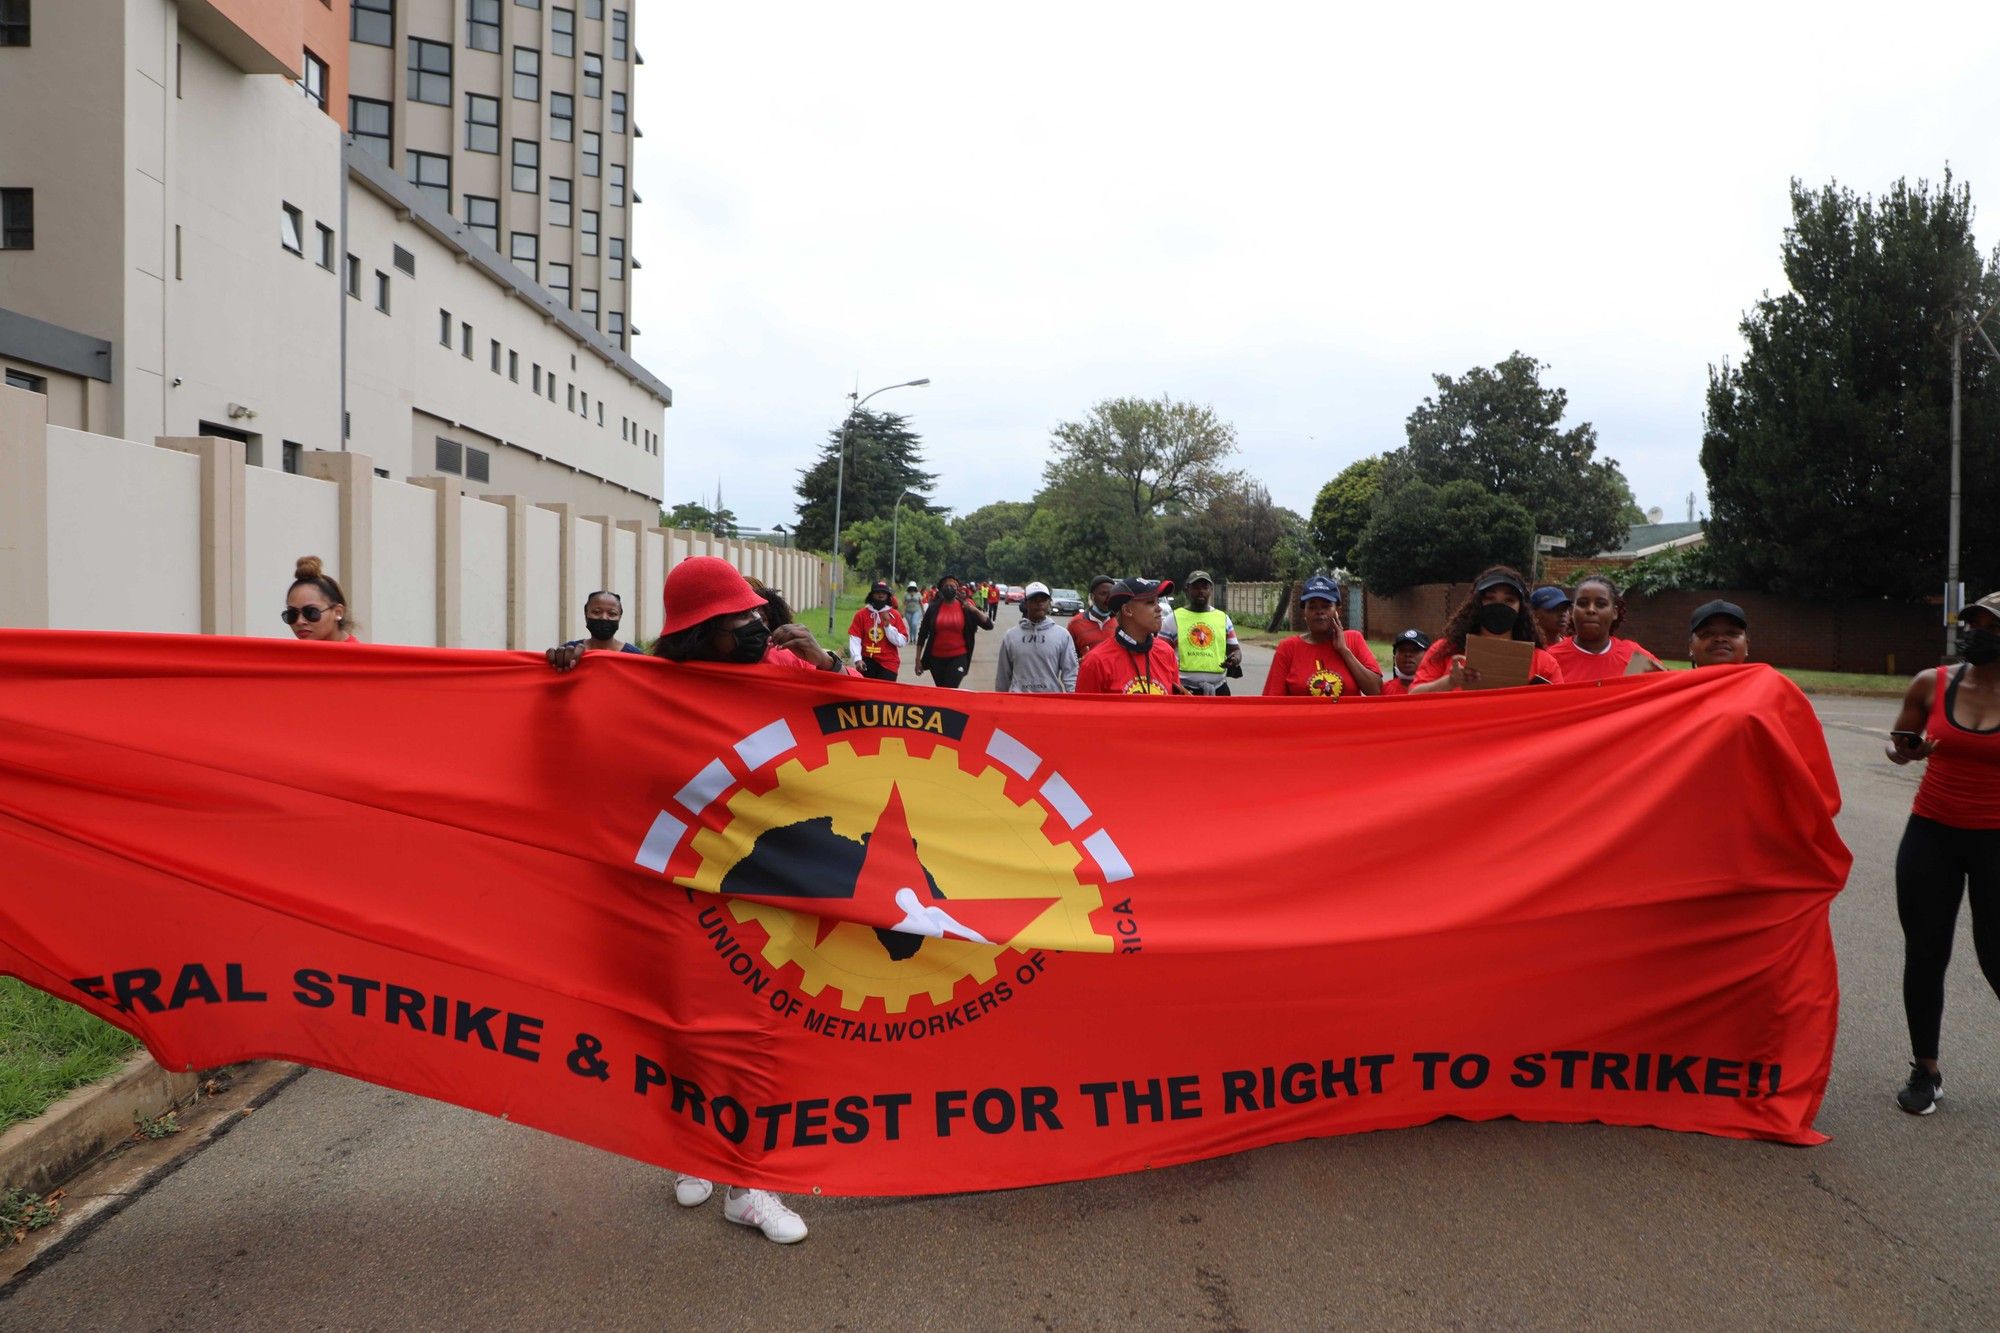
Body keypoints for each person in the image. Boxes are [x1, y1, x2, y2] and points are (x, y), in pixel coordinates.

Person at [547, 557, 842, 1243]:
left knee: (759, 1031)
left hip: (768, 883)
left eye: (754, 613)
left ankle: (750, 1184)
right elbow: (577, 747)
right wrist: (568, 677)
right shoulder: (649, 685)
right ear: (700, 631)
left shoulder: (784, 668)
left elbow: (864, 717)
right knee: (684, 1026)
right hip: (677, 885)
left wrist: (826, 661)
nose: (754, 625)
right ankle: (692, 1149)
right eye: (736, 619)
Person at [1883, 591, 2000, 1115]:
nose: (1979, 634)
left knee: (1996, 956)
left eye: (1993, 628)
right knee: (1926, 953)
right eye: (1974, 624)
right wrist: (1906, 751)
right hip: (1931, 833)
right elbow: (1899, 746)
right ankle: (1925, 1071)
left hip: (1996, 839)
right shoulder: (1932, 683)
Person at [1410, 566, 1565, 692]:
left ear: (1521, 609)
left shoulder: (1544, 663)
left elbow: (1559, 709)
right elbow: (1413, 697)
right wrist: (1449, 682)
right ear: (1477, 603)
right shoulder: (1445, 650)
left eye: (1509, 600)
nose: (1499, 606)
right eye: (1490, 598)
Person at [1262, 574, 1382, 699]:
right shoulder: (1288, 648)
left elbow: (1375, 690)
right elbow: (1271, 702)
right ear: (1304, 613)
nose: (1319, 612)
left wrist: (1344, 651)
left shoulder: (1354, 640)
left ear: (1338, 611)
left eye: (1326, 606)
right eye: (1312, 607)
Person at [1074, 578, 1181, 695]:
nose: (1159, 609)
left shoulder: (1167, 653)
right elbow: (1085, 707)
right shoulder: (1095, 662)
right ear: (1127, 610)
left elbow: (1174, 703)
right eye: (1150, 602)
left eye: (1158, 602)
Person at [1547, 575, 1663, 682]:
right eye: (1583, 604)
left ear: (1614, 612)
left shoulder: (1634, 658)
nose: (1591, 610)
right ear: (1572, 611)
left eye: (1601, 604)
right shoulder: (1550, 659)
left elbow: (1667, 687)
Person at [1162, 570, 1242, 696]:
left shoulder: (1223, 618)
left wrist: (1235, 659)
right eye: (1196, 587)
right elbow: (1159, 654)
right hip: (1183, 691)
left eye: (1205, 587)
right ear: (1187, 589)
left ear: (1211, 589)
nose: (1201, 591)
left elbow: (1235, 650)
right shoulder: (1172, 619)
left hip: (1219, 689)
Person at [994, 582, 1078, 693]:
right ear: (1026, 603)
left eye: (1043, 600)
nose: (1039, 604)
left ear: (1049, 603)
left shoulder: (1062, 635)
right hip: (1019, 700)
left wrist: (1074, 697)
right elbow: (1003, 676)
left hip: (1050, 700)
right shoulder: (1011, 636)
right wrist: (1000, 699)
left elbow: (1071, 673)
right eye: (1034, 600)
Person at [914, 575, 994, 689]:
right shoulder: (933, 608)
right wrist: (918, 659)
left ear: (957, 588)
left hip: (958, 657)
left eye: (952, 585)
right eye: (946, 585)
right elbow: (922, 633)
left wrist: (974, 609)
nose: (949, 587)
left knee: (950, 688)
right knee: (942, 690)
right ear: (941, 589)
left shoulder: (965, 607)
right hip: (936, 659)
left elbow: (988, 625)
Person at [547, 591, 647, 660]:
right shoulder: (569, 652)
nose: (604, 618)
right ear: (586, 614)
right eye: (596, 612)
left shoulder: (635, 657)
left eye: (612, 614)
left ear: (620, 617)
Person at [846, 580, 910, 683]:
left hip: (889, 663)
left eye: (884, 593)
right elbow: (855, 639)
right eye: (878, 592)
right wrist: (857, 659)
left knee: (885, 692)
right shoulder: (861, 615)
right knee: (866, 691)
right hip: (866, 661)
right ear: (871, 595)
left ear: (888, 596)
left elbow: (902, 642)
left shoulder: (895, 615)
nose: (881, 595)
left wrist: (887, 626)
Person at [284, 555, 358, 643]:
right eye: (292, 614)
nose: (299, 621)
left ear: (338, 612)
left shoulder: (358, 652)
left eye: (311, 612)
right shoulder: (290, 651)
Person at [1068, 575, 1119, 658]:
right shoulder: (1075, 623)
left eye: (1111, 594)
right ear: (1092, 597)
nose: (1108, 598)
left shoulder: (1120, 623)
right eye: (1103, 594)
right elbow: (1068, 657)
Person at [1688, 600, 1750, 666]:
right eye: (1707, 633)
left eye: (1732, 633)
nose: (1720, 639)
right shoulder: (1679, 674)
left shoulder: (1759, 672)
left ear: (1746, 646)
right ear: (1691, 647)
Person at [1379, 629, 1430, 696]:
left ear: (1428, 655)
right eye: (1402, 650)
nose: (1408, 654)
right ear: (1394, 657)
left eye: (1415, 650)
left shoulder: (1438, 689)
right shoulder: (1384, 690)